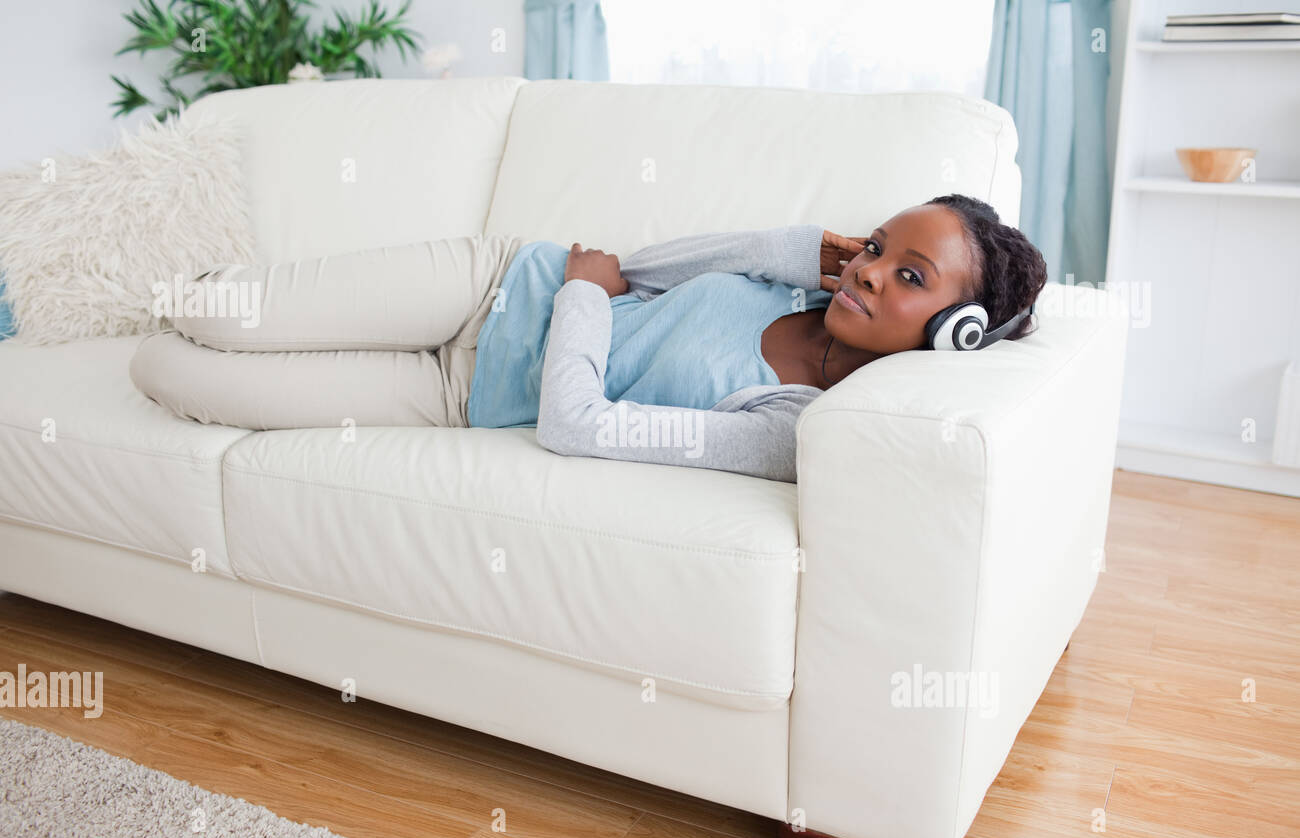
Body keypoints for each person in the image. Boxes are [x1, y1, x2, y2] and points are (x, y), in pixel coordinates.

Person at [130, 193, 1047, 483]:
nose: (870, 270)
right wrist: (798, 248)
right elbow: (638, 269)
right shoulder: (797, 278)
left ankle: (136, 317)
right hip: (486, 282)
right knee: (211, 313)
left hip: (465, 399)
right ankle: (139, 266)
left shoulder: (788, 425)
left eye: (910, 278)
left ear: (955, 335)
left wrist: (583, 299)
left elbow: (576, 424)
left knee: (170, 373)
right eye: (877, 248)